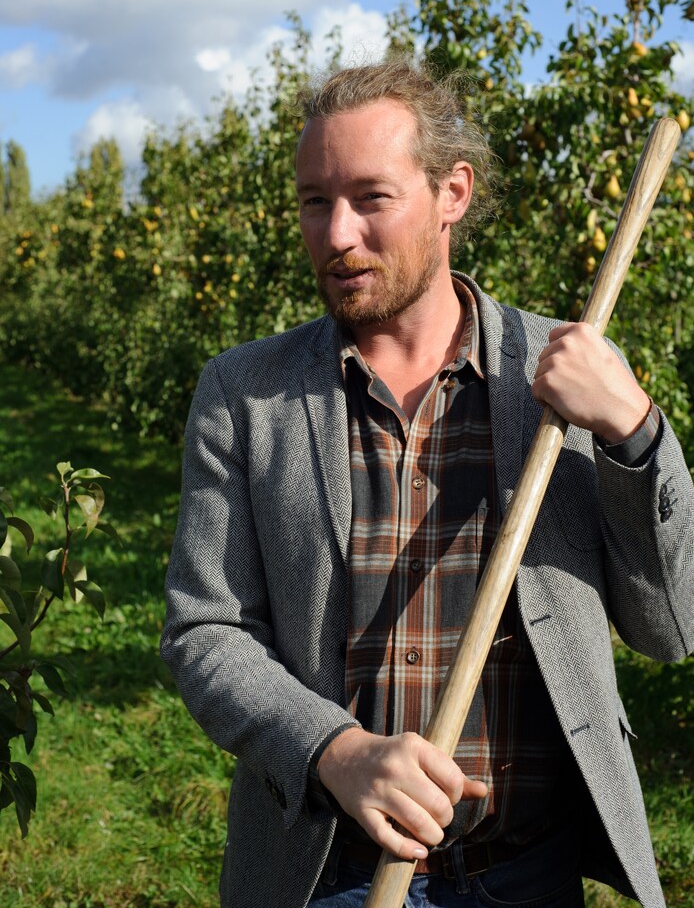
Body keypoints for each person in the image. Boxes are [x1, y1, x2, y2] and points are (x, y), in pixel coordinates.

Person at [161, 62, 693, 908]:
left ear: (452, 192)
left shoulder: (558, 377)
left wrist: (635, 431)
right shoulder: (246, 393)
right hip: (328, 877)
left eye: (371, 198)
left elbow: (672, 625)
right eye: (314, 201)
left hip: (529, 875)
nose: (336, 234)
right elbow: (205, 629)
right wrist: (333, 749)